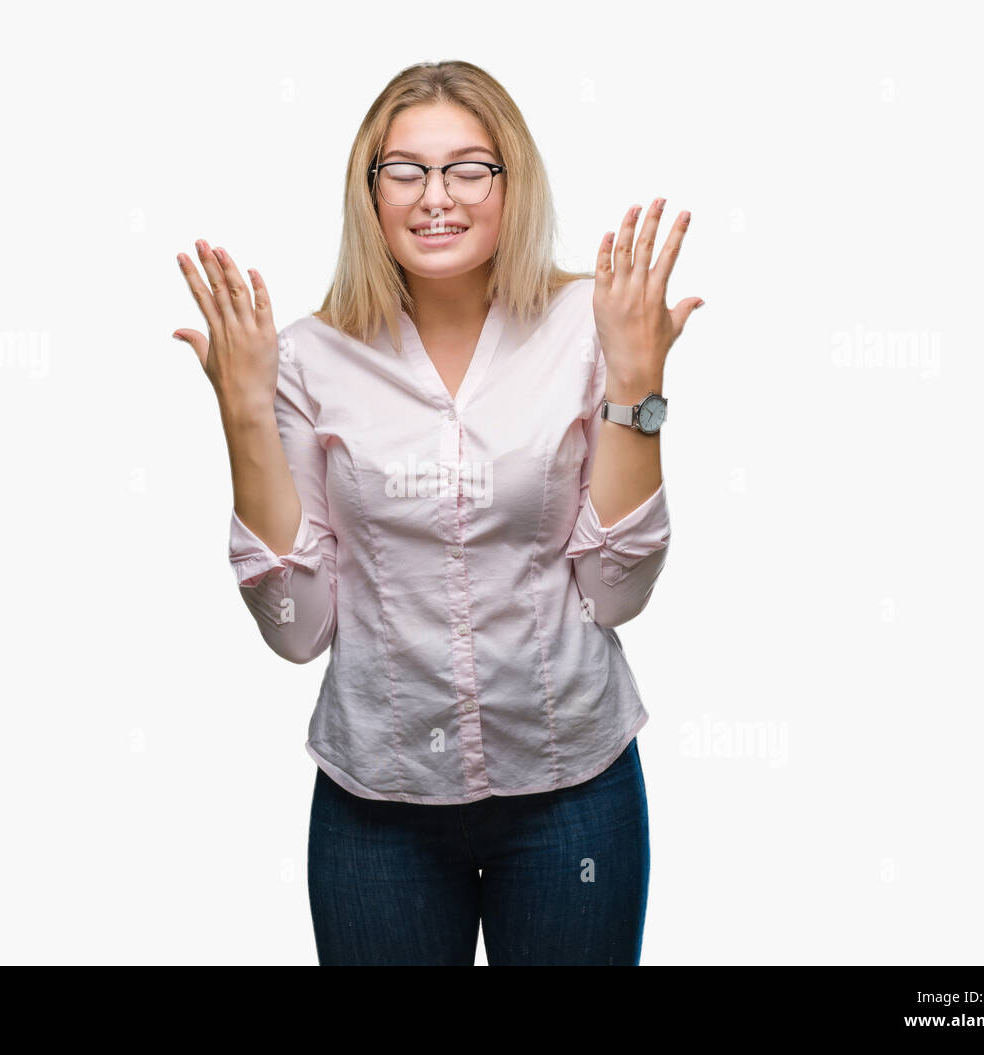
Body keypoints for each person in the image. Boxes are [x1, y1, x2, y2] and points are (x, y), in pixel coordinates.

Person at [171, 60, 702, 965]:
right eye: (405, 170)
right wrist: (243, 415)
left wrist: (638, 384)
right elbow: (299, 631)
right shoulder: (308, 358)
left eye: (468, 168)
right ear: (369, 191)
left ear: (512, 182)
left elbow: (616, 592)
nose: (435, 198)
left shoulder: (591, 326)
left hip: (573, 786)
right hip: (379, 806)